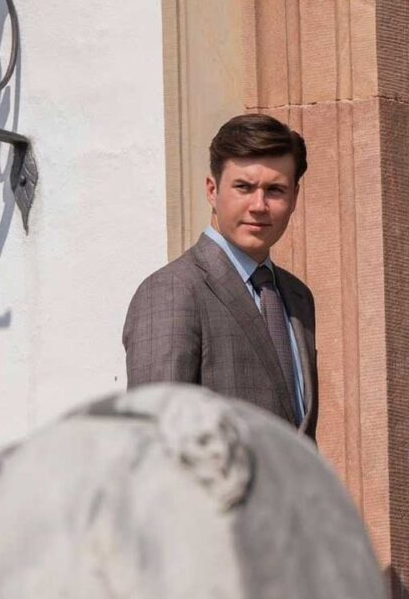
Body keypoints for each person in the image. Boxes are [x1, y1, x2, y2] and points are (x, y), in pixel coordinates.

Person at [124, 113, 317, 439]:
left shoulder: (298, 297)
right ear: (212, 190)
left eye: (275, 190)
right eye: (244, 187)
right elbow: (156, 438)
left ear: (294, 197)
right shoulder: (173, 290)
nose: (259, 205)